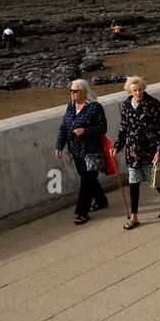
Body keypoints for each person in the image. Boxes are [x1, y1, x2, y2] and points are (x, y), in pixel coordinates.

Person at [116, 76, 160, 229]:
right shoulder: (126, 105)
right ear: (129, 90)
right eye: (134, 90)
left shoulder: (153, 103)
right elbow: (123, 128)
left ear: (144, 88)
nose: (138, 93)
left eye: (140, 89)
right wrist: (117, 146)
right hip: (133, 151)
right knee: (133, 183)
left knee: (154, 180)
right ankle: (134, 216)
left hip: (150, 150)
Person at [55, 78, 109, 224]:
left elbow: (102, 128)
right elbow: (64, 127)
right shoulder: (70, 106)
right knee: (87, 178)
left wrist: (85, 130)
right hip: (76, 151)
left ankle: (82, 212)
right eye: (70, 91)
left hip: (93, 151)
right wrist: (59, 146)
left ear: (84, 92)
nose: (72, 94)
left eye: (75, 91)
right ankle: (101, 200)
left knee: (87, 180)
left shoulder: (94, 107)